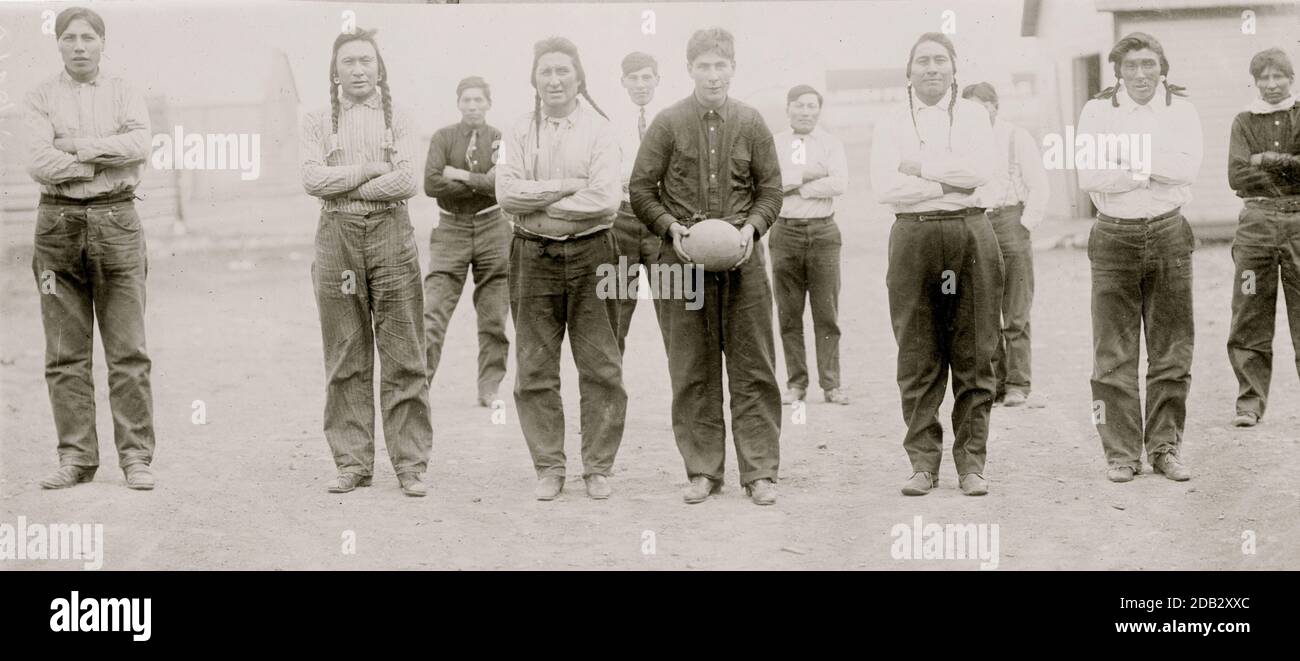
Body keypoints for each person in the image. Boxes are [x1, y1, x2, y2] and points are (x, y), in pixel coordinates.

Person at [630, 27, 784, 506]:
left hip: (743, 263)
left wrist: (751, 230)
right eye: (704, 66)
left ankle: (759, 472)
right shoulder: (667, 122)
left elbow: (771, 191)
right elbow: (641, 189)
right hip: (682, 267)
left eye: (721, 65)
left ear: (733, 68)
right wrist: (671, 228)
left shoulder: (753, 122)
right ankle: (702, 471)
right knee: (692, 369)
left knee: (753, 367)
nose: (713, 75)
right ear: (690, 69)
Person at [26, 7, 157, 491]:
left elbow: (140, 144)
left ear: (103, 43)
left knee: (128, 350)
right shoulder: (40, 96)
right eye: (69, 38)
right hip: (56, 223)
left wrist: (73, 148)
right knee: (65, 353)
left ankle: (137, 457)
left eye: (88, 37)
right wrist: (101, 157)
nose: (79, 46)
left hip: (117, 220)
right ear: (57, 44)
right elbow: (39, 160)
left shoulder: (124, 91)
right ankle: (76, 458)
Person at [301, 28, 432, 497]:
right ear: (334, 72)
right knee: (345, 354)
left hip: (390, 233)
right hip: (336, 234)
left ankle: (410, 464)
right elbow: (311, 178)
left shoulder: (400, 117)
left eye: (367, 61)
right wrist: (367, 171)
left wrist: (347, 184)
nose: (359, 70)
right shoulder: (317, 119)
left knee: (403, 352)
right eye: (349, 62)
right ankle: (352, 463)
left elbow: (406, 183)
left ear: (380, 69)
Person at [868, 32, 999, 497]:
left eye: (940, 60)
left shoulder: (973, 114)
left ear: (953, 69)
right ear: (909, 70)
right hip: (914, 236)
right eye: (922, 61)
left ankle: (972, 464)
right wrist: (948, 180)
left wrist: (919, 168)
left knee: (976, 352)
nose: (931, 69)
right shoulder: (889, 121)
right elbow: (885, 187)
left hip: (969, 233)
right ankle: (923, 463)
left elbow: (979, 173)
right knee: (918, 353)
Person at [496, 37, 627, 501]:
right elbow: (506, 195)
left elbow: (606, 199)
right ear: (534, 78)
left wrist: (541, 201)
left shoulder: (600, 130)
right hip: (532, 256)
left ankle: (598, 467)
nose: (554, 80)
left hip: (594, 255)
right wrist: (569, 187)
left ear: (579, 78)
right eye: (545, 72)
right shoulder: (515, 132)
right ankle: (549, 466)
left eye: (563, 72)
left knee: (602, 366)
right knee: (534, 369)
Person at [1077, 32, 1203, 483]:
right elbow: (1090, 175)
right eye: (1131, 66)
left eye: (1149, 64)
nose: (1141, 74)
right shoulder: (1097, 111)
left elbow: (1187, 169)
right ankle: (1121, 453)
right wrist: (1152, 168)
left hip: (1169, 232)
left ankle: (1165, 447)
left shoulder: (1181, 110)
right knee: (1112, 352)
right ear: (1119, 72)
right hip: (1113, 236)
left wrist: (1128, 162)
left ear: (1162, 67)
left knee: (1171, 349)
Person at [422, 76, 510, 407]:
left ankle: (490, 389)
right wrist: (479, 182)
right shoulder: (443, 137)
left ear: (488, 103)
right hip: (450, 229)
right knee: (432, 313)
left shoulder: (501, 138)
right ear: (458, 103)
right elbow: (431, 183)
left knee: (494, 318)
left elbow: (497, 184)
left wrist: (457, 175)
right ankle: (419, 387)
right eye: (467, 100)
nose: (473, 106)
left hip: (493, 228)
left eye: (479, 100)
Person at [961, 82, 1050, 407]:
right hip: (977, 221)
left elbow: (1039, 185)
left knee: (1015, 309)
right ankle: (993, 383)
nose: (976, 114)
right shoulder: (962, 141)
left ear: (994, 106)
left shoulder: (1016, 137)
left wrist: (1024, 225)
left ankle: (1017, 383)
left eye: (982, 106)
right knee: (981, 308)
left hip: (1011, 219)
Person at [1225, 47, 1300, 428]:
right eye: (1264, 78)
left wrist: (1266, 161)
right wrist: (1288, 168)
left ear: (1291, 77)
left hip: (1299, 222)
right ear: (1255, 82)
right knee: (1250, 311)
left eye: (1278, 77)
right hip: (1255, 225)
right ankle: (1250, 402)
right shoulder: (1244, 121)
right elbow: (1237, 176)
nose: (1271, 85)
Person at [772, 84, 850, 406]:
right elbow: (770, 184)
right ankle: (796, 384)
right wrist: (809, 175)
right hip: (785, 232)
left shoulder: (831, 143)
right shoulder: (773, 143)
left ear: (819, 110)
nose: (805, 112)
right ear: (788, 108)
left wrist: (796, 184)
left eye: (811, 106)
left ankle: (831, 385)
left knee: (826, 313)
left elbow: (839, 183)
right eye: (799, 106)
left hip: (823, 233)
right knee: (789, 314)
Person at [612, 52, 667, 355]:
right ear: (623, 81)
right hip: (622, 221)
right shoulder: (609, 120)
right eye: (633, 78)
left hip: (661, 221)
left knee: (677, 306)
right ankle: (609, 399)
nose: (640, 84)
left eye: (647, 77)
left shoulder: (671, 118)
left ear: (658, 79)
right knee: (616, 311)